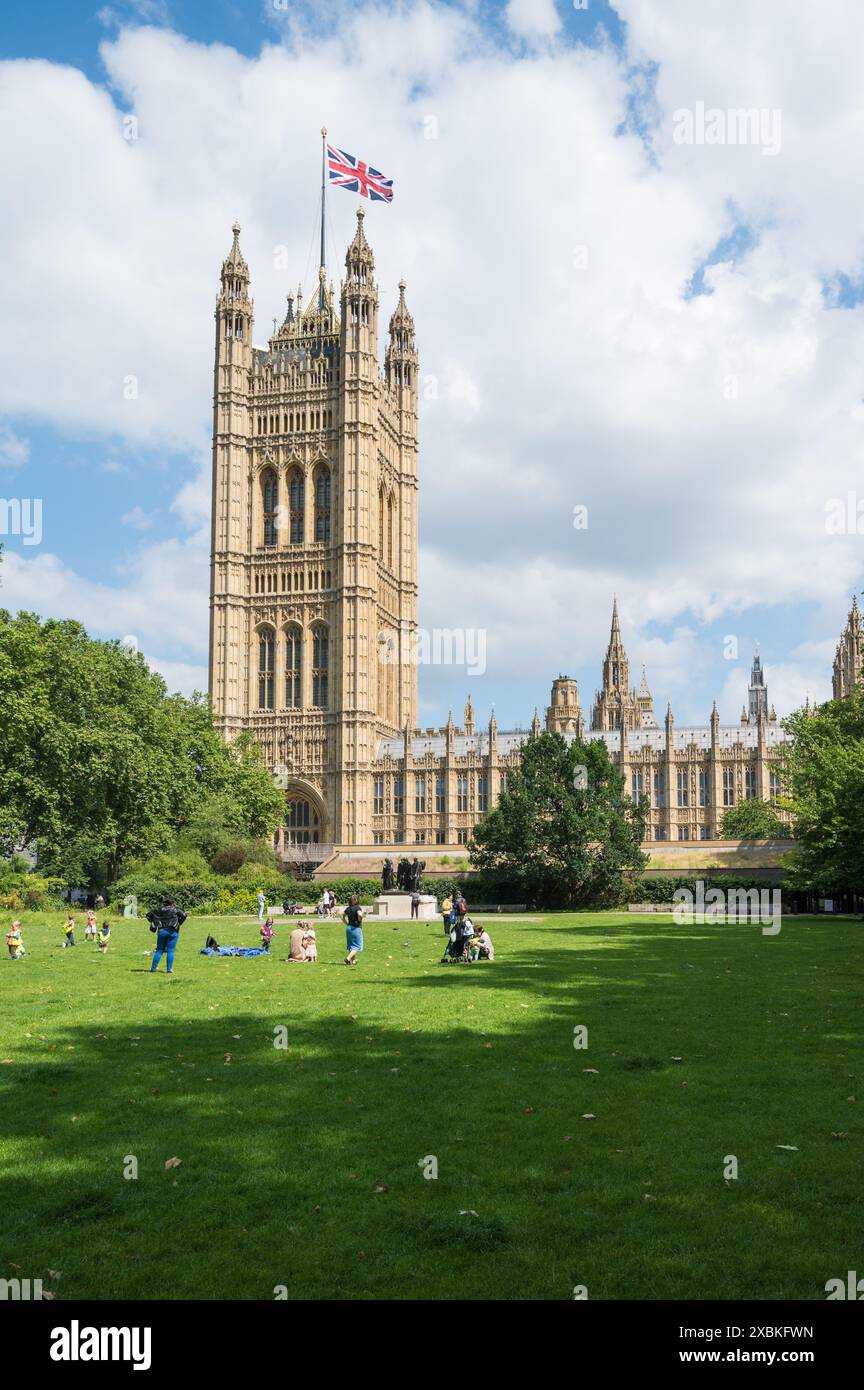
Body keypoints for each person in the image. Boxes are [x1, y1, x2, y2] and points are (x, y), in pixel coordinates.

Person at [147, 896, 187, 976]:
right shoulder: (175, 909)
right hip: (173, 932)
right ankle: (169, 970)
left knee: (159, 950)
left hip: (162, 931)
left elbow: (148, 915)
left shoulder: (158, 909)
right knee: (170, 950)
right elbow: (184, 915)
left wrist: (155, 922)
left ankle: (153, 969)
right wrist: (179, 923)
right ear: (172, 903)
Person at [343, 895, 364, 965]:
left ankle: (353, 961)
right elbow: (360, 915)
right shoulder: (358, 908)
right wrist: (360, 919)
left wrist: (346, 923)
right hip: (356, 928)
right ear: (356, 900)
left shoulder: (348, 908)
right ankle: (348, 959)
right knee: (357, 946)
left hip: (349, 928)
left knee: (351, 946)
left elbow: (342, 916)